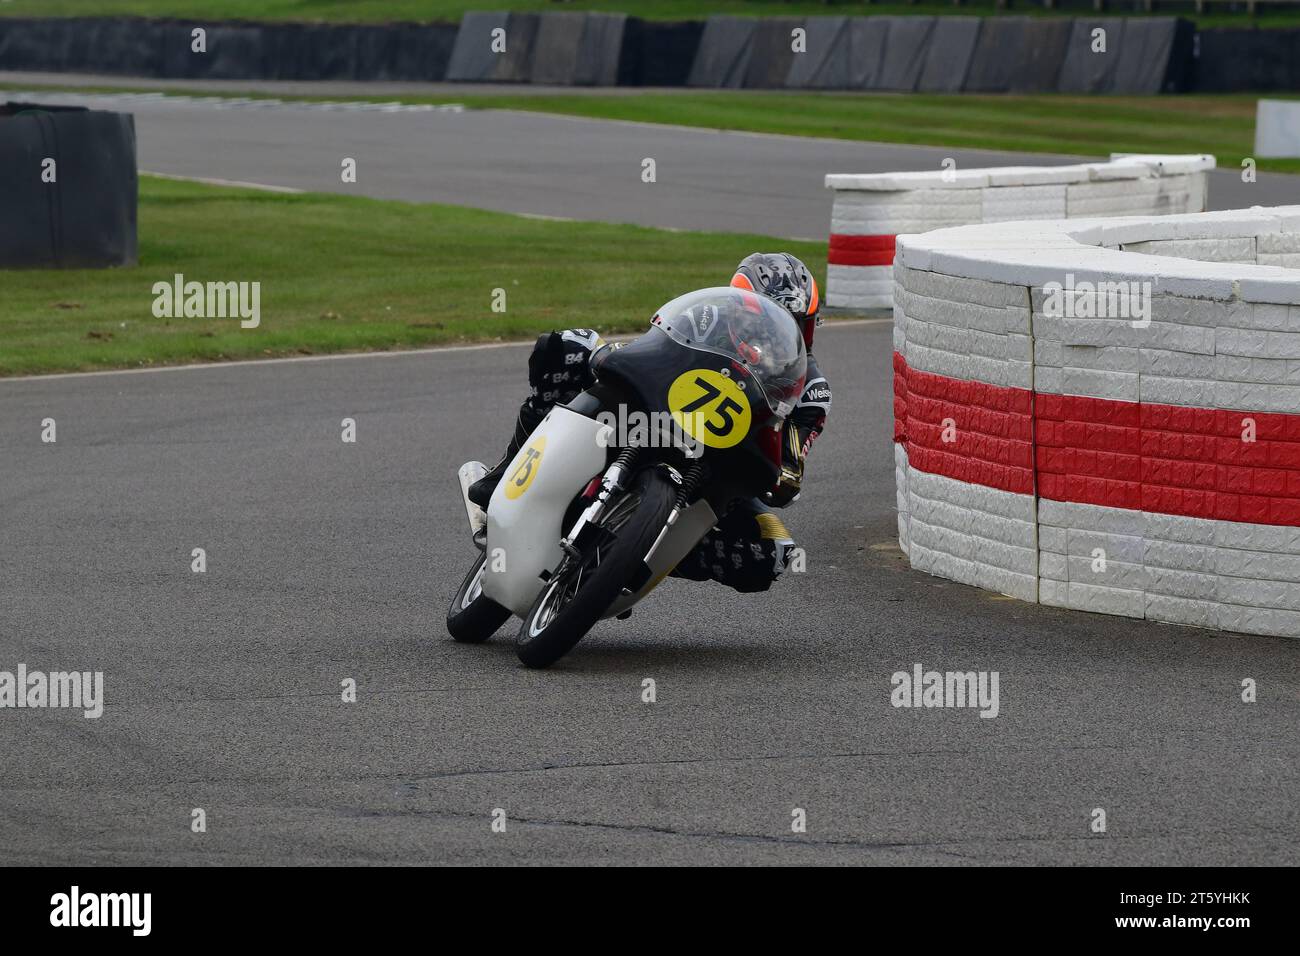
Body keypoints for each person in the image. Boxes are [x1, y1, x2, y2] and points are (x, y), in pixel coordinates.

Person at [468, 252, 831, 592]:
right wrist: (605, 356)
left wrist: (780, 474)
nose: (774, 335)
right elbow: (649, 346)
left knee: (770, 552)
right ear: (742, 306)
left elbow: (791, 468)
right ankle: (507, 471)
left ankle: (634, 553)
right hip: (645, 412)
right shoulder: (706, 317)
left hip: (716, 466)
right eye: (766, 320)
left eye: (794, 324)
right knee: (564, 347)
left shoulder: (811, 390)